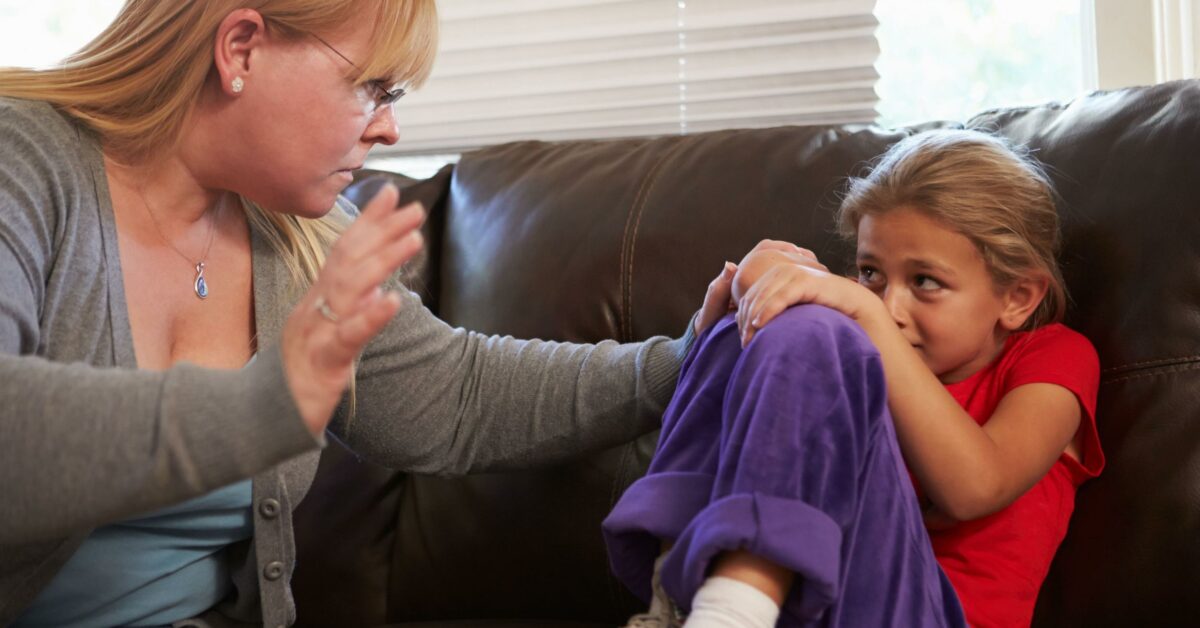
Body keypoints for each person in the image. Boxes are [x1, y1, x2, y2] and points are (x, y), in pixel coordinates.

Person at [0, 1, 754, 626]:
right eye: (376, 87)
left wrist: (691, 357)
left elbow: (457, 398)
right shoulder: (23, 164)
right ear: (240, 49)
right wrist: (265, 405)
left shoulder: (297, 245)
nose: (390, 129)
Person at [603, 129, 1104, 628]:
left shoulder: (1053, 357)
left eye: (925, 281)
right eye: (870, 272)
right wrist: (760, 282)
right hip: (811, 600)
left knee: (811, 324)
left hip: (933, 615)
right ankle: (683, 595)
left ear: (1017, 297)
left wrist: (859, 313)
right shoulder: (854, 343)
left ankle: (729, 613)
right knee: (754, 320)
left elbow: (975, 487)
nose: (890, 306)